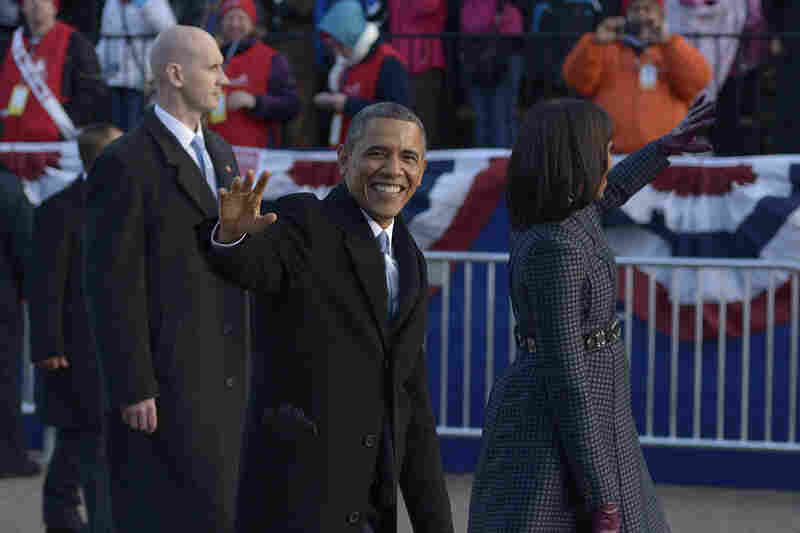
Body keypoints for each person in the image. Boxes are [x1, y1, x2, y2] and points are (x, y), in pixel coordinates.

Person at [466, 97, 715, 533]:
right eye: (606, 150)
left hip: (594, 416)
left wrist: (663, 148)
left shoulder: (567, 217)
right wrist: (603, 497)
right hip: (555, 429)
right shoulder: (554, 247)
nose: (609, 160)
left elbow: (612, 189)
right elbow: (567, 379)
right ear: (577, 159)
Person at [204, 102, 454, 533]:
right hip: (295, 508)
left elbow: (411, 406)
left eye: (408, 157)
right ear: (345, 159)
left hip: (371, 511)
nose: (393, 169)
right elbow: (251, 265)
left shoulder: (410, 258)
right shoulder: (304, 221)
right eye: (377, 153)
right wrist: (233, 238)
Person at [83, 25, 250, 533]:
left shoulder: (221, 154)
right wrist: (134, 385)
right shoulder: (124, 162)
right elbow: (112, 283)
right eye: (214, 67)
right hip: (164, 383)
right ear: (176, 74)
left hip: (222, 375)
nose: (225, 78)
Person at [28, 123, 122, 533]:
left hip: (112, 345)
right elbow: (45, 284)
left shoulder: (126, 202)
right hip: (75, 350)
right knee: (88, 443)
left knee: (79, 442)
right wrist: (48, 345)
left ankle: (63, 516)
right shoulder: (59, 210)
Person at [562, 0, 712, 153]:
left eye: (647, 9)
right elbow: (576, 82)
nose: (641, 14)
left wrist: (670, 44)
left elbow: (698, 82)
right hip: (613, 155)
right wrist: (594, 43)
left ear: (661, 16)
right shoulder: (604, 46)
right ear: (625, 15)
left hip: (668, 156)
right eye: (635, 9)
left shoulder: (673, 46)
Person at [0, 0, 107, 180]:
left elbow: (92, 93)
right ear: (23, 6)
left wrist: (66, 125)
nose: (37, 6)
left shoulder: (76, 44)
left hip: (59, 150)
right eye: (30, 1)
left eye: (44, 0)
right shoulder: (9, 45)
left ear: (54, 6)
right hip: (11, 150)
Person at [314, 0, 409, 148]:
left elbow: (398, 112)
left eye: (339, 45)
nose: (337, 53)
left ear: (350, 36)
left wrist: (346, 104)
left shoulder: (388, 63)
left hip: (378, 151)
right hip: (352, 153)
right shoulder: (347, 62)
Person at [207, 0, 299, 148]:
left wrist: (255, 102)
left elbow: (292, 105)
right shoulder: (209, 58)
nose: (235, 24)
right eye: (229, 18)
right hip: (214, 153)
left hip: (258, 156)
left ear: (252, 23)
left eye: (241, 18)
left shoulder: (272, 59)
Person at [0, 140, 40, 480]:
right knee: (5, 378)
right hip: (3, 299)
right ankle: (9, 456)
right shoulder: (8, 187)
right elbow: (25, 244)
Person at [95, 0, 177, 132]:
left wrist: (145, 5)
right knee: (115, 130)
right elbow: (106, 35)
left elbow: (168, 29)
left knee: (136, 127)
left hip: (142, 80)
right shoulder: (112, 3)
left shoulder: (154, 2)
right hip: (114, 78)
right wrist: (101, 67)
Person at [388, 0, 447, 149]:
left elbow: (428, 6)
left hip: (423, 61)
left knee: (423, 119)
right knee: (400, 118)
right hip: (400, 59)